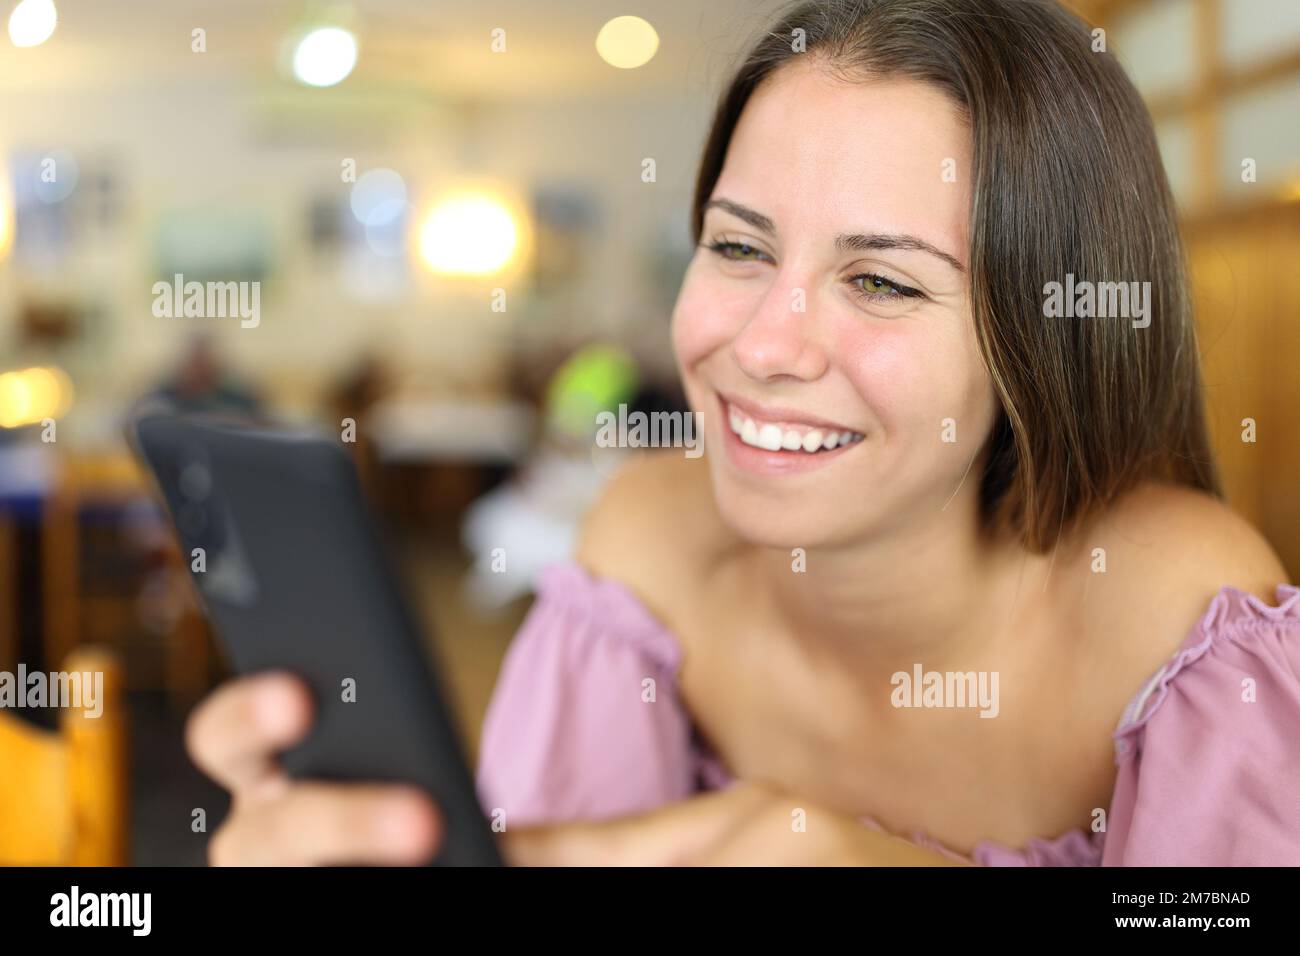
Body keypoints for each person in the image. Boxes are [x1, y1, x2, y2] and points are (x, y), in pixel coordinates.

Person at [186, 0, 1299, 866]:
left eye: (878, 279)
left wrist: (830, 845)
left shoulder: (1175, 616)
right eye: (736, 248)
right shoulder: (646, 556)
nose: (764, 344)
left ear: (1047, 333)